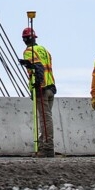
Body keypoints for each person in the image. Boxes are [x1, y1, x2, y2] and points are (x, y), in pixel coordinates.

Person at [20, 27, 56, 157]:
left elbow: (38, 68)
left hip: (42, 89)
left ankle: (47, 148)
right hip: (51, 87)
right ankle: (42, 146)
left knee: (44, 121)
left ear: (25, 39)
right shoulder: (44, 50)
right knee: (46, 119)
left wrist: (38, 85)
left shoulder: (29, 51)